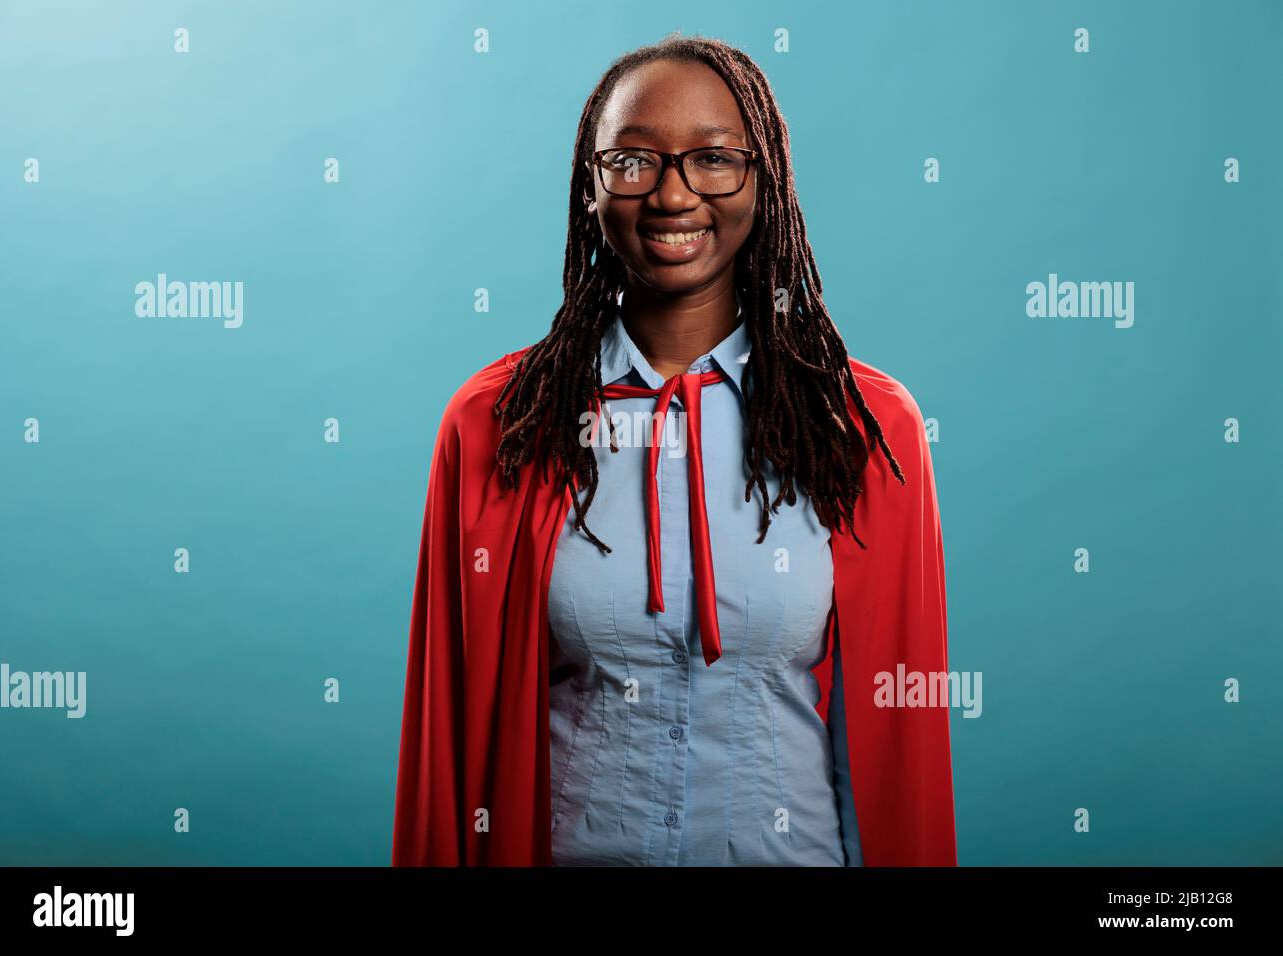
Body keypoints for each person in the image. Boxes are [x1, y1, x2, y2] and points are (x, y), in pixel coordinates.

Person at [393, 33, 956, 867]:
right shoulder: (498, 426)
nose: (673, 194)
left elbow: (899, 747)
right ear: (591, 189)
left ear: (764, 184)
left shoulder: (862, 426)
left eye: (714, 159)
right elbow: (446, 737)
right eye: (632, 161)